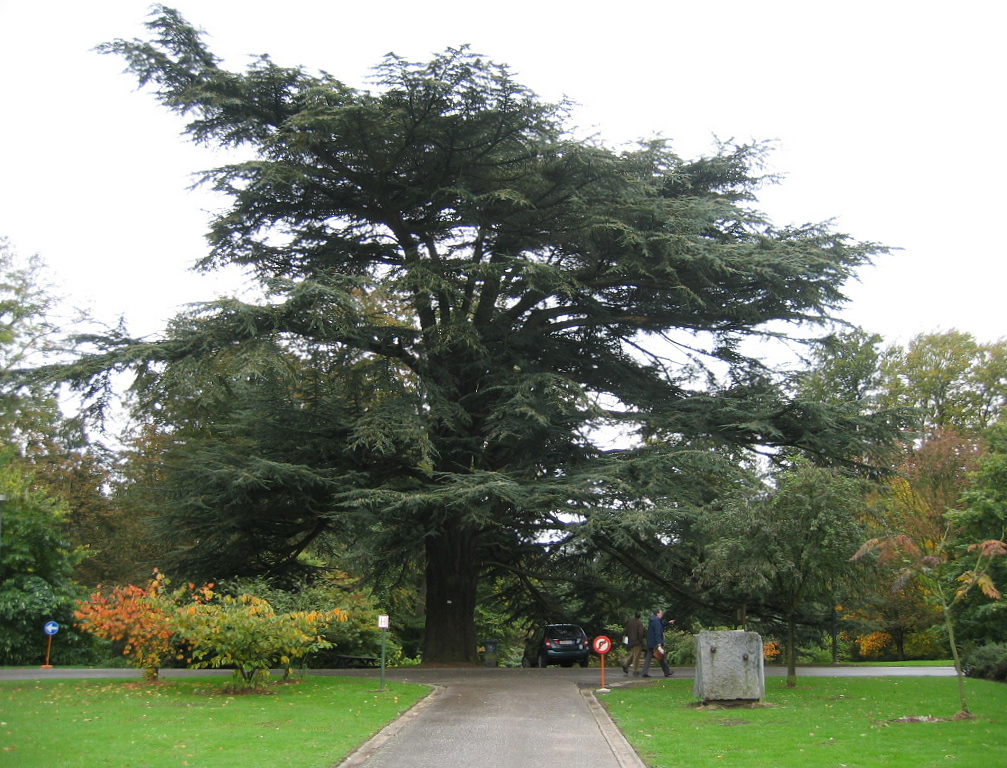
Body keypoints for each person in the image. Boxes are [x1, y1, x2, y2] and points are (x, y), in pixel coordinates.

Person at [640, 607, 673, 678]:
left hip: (651, 642)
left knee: (650, 657)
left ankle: (644, 672)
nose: (662, 615)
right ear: (657, 614)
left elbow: (661, 625)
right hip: (655, 643)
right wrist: (659, 643)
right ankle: (667, 671)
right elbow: (657, 632)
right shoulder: (657, 621)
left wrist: (668, 623)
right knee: (661, 656)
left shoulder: (653, 620)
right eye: (661, 613)